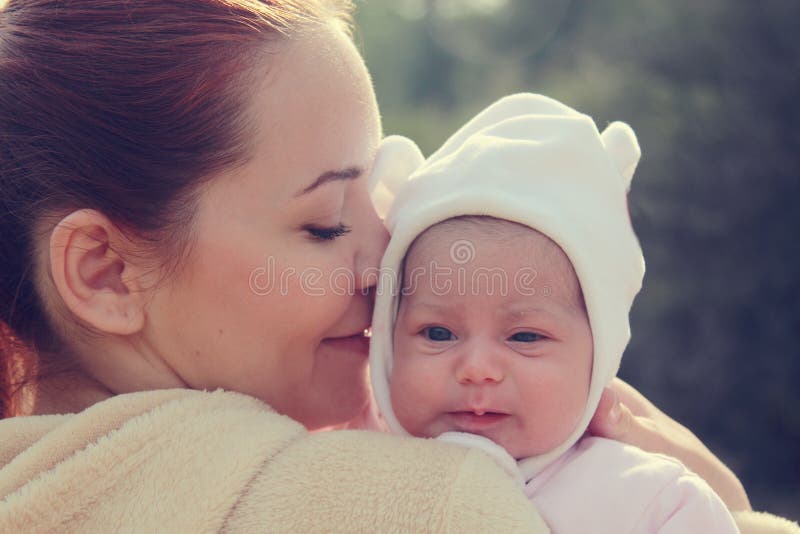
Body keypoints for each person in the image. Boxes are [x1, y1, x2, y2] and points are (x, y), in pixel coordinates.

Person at [0, 1, 794, 532]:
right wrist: (730, 512)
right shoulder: (429, 507)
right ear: (104, 272)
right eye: (323, 225)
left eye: (383, 212)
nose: (387, 264)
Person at [369, 92, 741, 532]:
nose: (477, 369)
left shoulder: (653, 503)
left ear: (600, 351)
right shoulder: (352, 474)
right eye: (437, 333)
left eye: (525, 336)